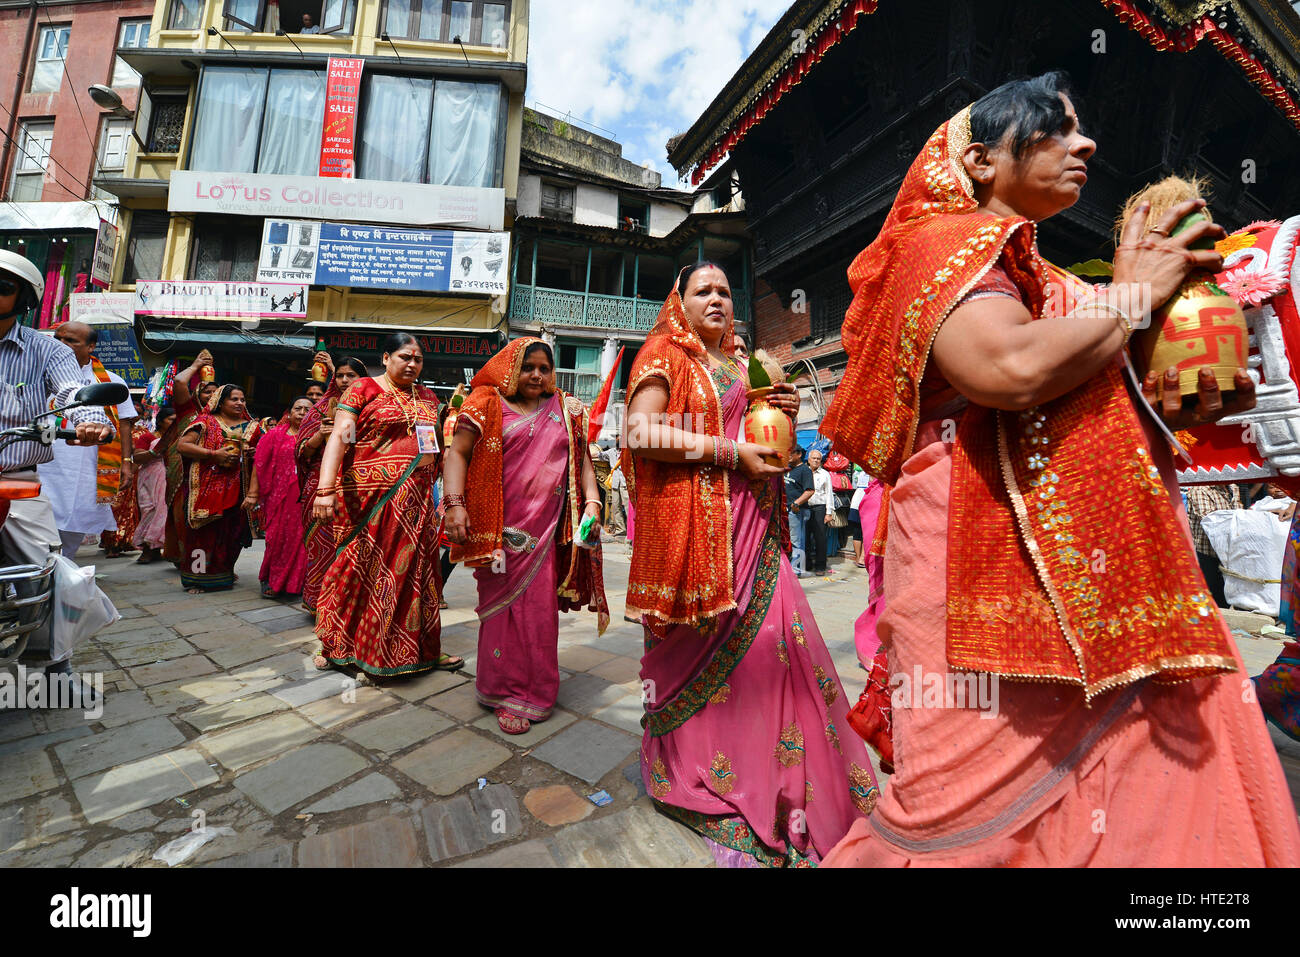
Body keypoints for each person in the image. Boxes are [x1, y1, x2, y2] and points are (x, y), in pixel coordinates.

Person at [819, 72, 1299, 866]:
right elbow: (1005, 366)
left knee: (1143, 773)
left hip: (1086, 581)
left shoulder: (1054, 280)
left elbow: (1139, 381)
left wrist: (1186, 328)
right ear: (979, 160)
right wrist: (1136, 295)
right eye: (1059, 130)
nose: (1088, 145)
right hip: (972, 572)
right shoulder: (940, 242)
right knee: (963, 810)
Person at [624, 262, 878, 867]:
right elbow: (639, 431)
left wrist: (778, 403)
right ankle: (705, 767)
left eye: (724, 292)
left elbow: (760, 427)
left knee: (775, 647)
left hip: (754, 527)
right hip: (698, 534)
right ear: (679, 302)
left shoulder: (740, 364)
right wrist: (728, 451)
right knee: (704, 645)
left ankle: (784, 775)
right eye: (702, 291)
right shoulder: (665, 354)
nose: (716, 300)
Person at [443, 337, 609, 733]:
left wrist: (592, 503)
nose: (537, 375)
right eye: (528, 367)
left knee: (538, 616)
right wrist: (454, 504)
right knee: (499, 615)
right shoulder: (486, 404)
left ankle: (532, 692)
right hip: (499, 531)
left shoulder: (567, 410)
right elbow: (457, 453)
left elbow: (582, 459)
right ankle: (498, 687)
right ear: (511, 369)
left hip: (548, 532)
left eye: (544, 368)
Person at [312, 333, 461, 676]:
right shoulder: (364, 389)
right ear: (386, 357)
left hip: (418, 502)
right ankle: (339, 644)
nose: (412, 364)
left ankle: (420, 650)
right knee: (358, 572)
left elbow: (438, 446)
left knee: (418, 576)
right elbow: (340, 436)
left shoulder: (427, 396)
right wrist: (325, 489)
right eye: (405, 357)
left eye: (418, 359)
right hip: (368, 502)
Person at [0, 251, 112, 676]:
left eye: (3, 287)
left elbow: (71, 391)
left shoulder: (47, 349)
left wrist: (90, 421)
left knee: (47, 572)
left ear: (24, 299)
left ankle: (56, 659)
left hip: (13, 480)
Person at [39, 321, 136, 560]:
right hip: (43, 462)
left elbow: (125, 423)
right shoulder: (39, 374)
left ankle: (62, 571)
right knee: (38, 520)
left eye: (71, 341)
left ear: (91, 347)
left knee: (75, 518)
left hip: (85, 465)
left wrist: (126, 461)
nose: (61, 345)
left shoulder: (110, 381)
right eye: (58, 338)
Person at [176, 385, 265, 592]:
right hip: (207, 488)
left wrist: (255, 452)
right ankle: (196, 579)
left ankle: (223, 573)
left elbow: (266, 452)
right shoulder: (206, 421)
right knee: (203, 534)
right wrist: (213, 454)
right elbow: (183, 446)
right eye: (234, 399)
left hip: (240, 490)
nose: (239, 403)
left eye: (242, 399)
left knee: (232, 534)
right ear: (220, 402)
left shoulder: (254, 427)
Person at [296, 353, 367, 613]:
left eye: (352, 375)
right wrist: (319, 436)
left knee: (354, 550)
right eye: (340, 375)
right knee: (321, 546)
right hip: (320, 487)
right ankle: (319, 604)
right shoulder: (318, 409)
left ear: (363, 379)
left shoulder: (373, 407)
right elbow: (301, 452)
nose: (345, 380)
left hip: (359, 486)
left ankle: (347, 607)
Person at [249, 397, 312, 599]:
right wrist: (252, 494)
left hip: (305, 496)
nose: (302, 412)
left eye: (306, 409)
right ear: (289, 411)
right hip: (278, 497)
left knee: (301, 540)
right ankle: (270, 579)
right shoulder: (274, 435)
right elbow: (259, 464)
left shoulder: (318, 436)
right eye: (298, 408)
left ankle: (295, 584)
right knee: (276, 539)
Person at [161, 351, 218, 566]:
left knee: (211, 524)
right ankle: (190, 563)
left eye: (215, 392)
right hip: (185, 476)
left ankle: (210, 565)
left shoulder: (222, 417)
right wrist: (196, 364)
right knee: (184, 518)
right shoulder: (188, 411)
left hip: (213, 476)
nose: (211, 396)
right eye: (206, 392)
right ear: (196, 394)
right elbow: (178, 381)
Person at [1185, 482, 1243, 607]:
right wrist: (1239, 519)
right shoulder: (1200, 489)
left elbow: (1240, 514)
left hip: (1229, 552)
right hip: (1206, 553)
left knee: (1225, 597)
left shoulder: (1232, 488)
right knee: (1211, 597)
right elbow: (1211, 520)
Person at [131, 405, 176, 563]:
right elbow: (136, 458)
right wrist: (155, 451)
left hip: (171, 476)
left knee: (164, 509)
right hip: (151, 476)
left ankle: (156, 548)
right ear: (161, 421)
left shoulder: (180, 437)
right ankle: (147, 549)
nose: (174, 423)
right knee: (150, 509)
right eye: (171, 420)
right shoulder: (148, 437)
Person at [804, 448, 832, 575]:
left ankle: (820, 566)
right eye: (813, 458)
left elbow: (829, 494)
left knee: (820, 538)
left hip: (819, 508)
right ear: (808, 460)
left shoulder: (825, 474)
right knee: (805, 537)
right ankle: (807, 564)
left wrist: (829, 512)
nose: (816, 460)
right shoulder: (803, 472)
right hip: (804, 507)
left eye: (818, 459)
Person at [784, 446, 811, 567]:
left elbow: (810, 491)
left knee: (797, 542)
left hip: (797, 511)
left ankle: (797, 570)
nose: (788, 455)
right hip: (787, 509)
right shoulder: (788, 468)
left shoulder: (805, 470)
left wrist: (796, 503)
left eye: (791, 453)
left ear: (799, 454)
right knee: (792, 541)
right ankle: (794, 568)